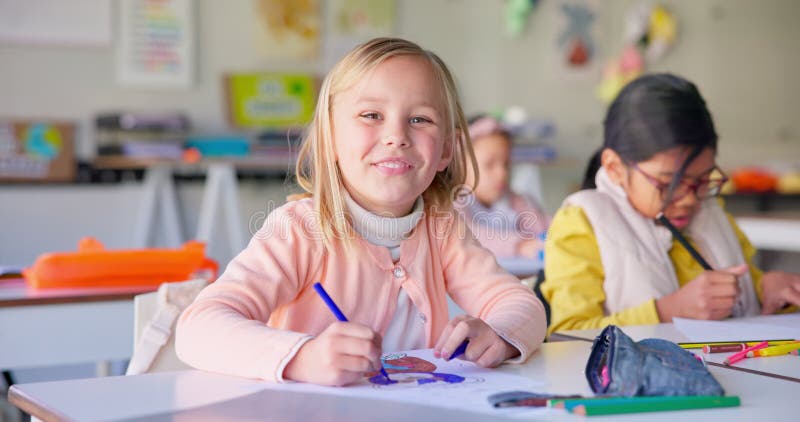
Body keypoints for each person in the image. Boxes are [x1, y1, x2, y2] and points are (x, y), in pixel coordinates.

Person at [175, 38, 546, 386]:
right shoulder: (299, 230)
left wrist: (499, 333)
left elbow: (522, 305)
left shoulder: (443, 228)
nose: (396, 136)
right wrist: (303, 358)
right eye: (371, 115)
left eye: (420, 119)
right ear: (331, 139)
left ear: (446, 150)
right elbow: (198, 327)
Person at [541, 73, 800, 334]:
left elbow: (744, 287)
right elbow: (567, 334)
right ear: (615, 168)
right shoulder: (582, 223)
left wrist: (768, 287)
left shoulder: (711, 212)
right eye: (668, 185)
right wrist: (668, 311)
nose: (689, 199)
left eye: (702, 180)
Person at [455, 115, 549, 258]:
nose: (502, 174)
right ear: (460, 164)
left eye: (506, 164)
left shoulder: (513, 200)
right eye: (489, 164)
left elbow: (543, 226)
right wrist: (521, 245)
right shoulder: (452, 203)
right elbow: (467, 236)